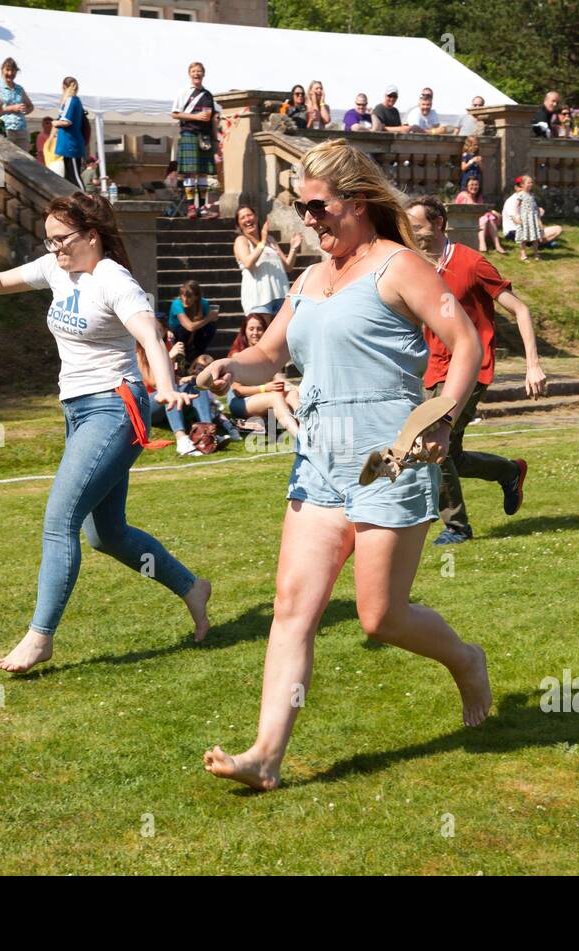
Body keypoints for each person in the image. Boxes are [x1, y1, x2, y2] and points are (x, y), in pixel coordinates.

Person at [196, 138, 492, 791]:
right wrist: (226, 367)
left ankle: (467, 661)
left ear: (356, 201)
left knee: (379, 618)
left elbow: (463, 343)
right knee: (291, 605)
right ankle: (266, 756)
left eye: (319, 207)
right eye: (303, 209)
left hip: (389, 457)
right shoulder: (307, 280)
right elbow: (267, 358)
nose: (310, 220)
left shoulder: (399, 267)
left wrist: (441, 415)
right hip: (319, 464)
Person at [0, 191, 211, 673]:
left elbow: (149, 334)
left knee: (60, 519)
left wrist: (169, 387)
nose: (53, 249)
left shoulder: (112, 278)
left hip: (115, 409)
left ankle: (40, 637)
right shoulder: (57, 268)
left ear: (91, 235)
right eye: (48, 240)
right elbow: (4, 280)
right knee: (106, 534)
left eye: (61, 239)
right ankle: (192, 587)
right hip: (77, 410)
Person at [407, 194, 545, 544]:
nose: (411, 232)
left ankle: (456, 527)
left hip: (472, 369)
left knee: (430, 442)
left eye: (417, 226)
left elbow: (522, 311)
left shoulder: (472, 263)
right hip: (433, 369)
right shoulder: (416, 268)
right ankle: (509, 472)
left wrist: (533, 365)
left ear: (438, 224)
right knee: (449, 453)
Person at [234, 204, 302, 327]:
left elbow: (287, 267)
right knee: (263, 341)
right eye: (243, 217)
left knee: (281, 342)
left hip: (280, 296)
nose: (247, 219)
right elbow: (249, 263)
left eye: (249, 215)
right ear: (239, 224)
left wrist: (294, 248)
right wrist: (263, 241)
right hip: (259, 299)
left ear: (255, 217)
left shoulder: (270, 239)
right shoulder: (242, 240)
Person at [170, 62, 216, 218]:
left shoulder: (208, 95)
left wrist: (215, 139)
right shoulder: (183, 92)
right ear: (190, 74)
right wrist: (194, 117)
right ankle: (191, 207)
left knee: (203, 173)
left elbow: (212, 118)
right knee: (190, 173)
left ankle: (202, 208)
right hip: (189, 133)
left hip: (204, 136)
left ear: (204, 74)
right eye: (194, 71)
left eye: (199, 71)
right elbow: (175, 114)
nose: (197, 74)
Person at [502, 175, 562, 261]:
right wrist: (520, 221)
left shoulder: (530, 196)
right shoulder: (513, 199)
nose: (521, 189)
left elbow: (534, 211)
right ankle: (528, 251)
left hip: (530, 224)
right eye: (520, 186)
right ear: (517, 187)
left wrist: (538, 218)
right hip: (513, 231)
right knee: (528, 237)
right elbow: (515, 216)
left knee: (552, 230)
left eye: (531, 183)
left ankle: (537, 251)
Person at [0, 57, 34, 154]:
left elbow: (31, 106)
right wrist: (12, 108)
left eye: (13, 70)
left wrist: (25, 110)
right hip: (5, 128)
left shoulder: (19, 88)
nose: (10, 73)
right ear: (2, 70)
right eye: (7, 70)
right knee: (6, 158)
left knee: (24, 160)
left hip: (21, 129)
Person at [454, 172, 505, 254]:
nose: (474, 187)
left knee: (488, 218)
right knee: (484, 217)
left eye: (476, 185)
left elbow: (483, 211)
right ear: (466, 186)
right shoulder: (463, 195)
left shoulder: (479, 197)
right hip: (466, 223)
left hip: (480, 225)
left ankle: (497, 245)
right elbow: (455, 210)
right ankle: (482, 244)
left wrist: (493, 212)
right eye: (471, 185)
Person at [167, 280, 219, 360]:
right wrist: (208, 318)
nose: (185, 300)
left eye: (189, 296)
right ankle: (182, 357)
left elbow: (211, 320)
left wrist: (212, 318)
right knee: (183, 329)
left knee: (210, 327)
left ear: (196, 296)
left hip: (195, 334)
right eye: (184, 296)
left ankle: (197, 354)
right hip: (177, 335)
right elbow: (189, 327)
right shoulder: (177, 303)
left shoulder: (203, 303)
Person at [54, 76, 90, 191]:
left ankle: (85, 199)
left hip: (71, 145)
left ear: (63, 87)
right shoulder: (75, 101)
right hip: (70, 145)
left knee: (74, 176)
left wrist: (55, 123)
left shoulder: (71, 100)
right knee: (69, 177)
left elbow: (67, 122)